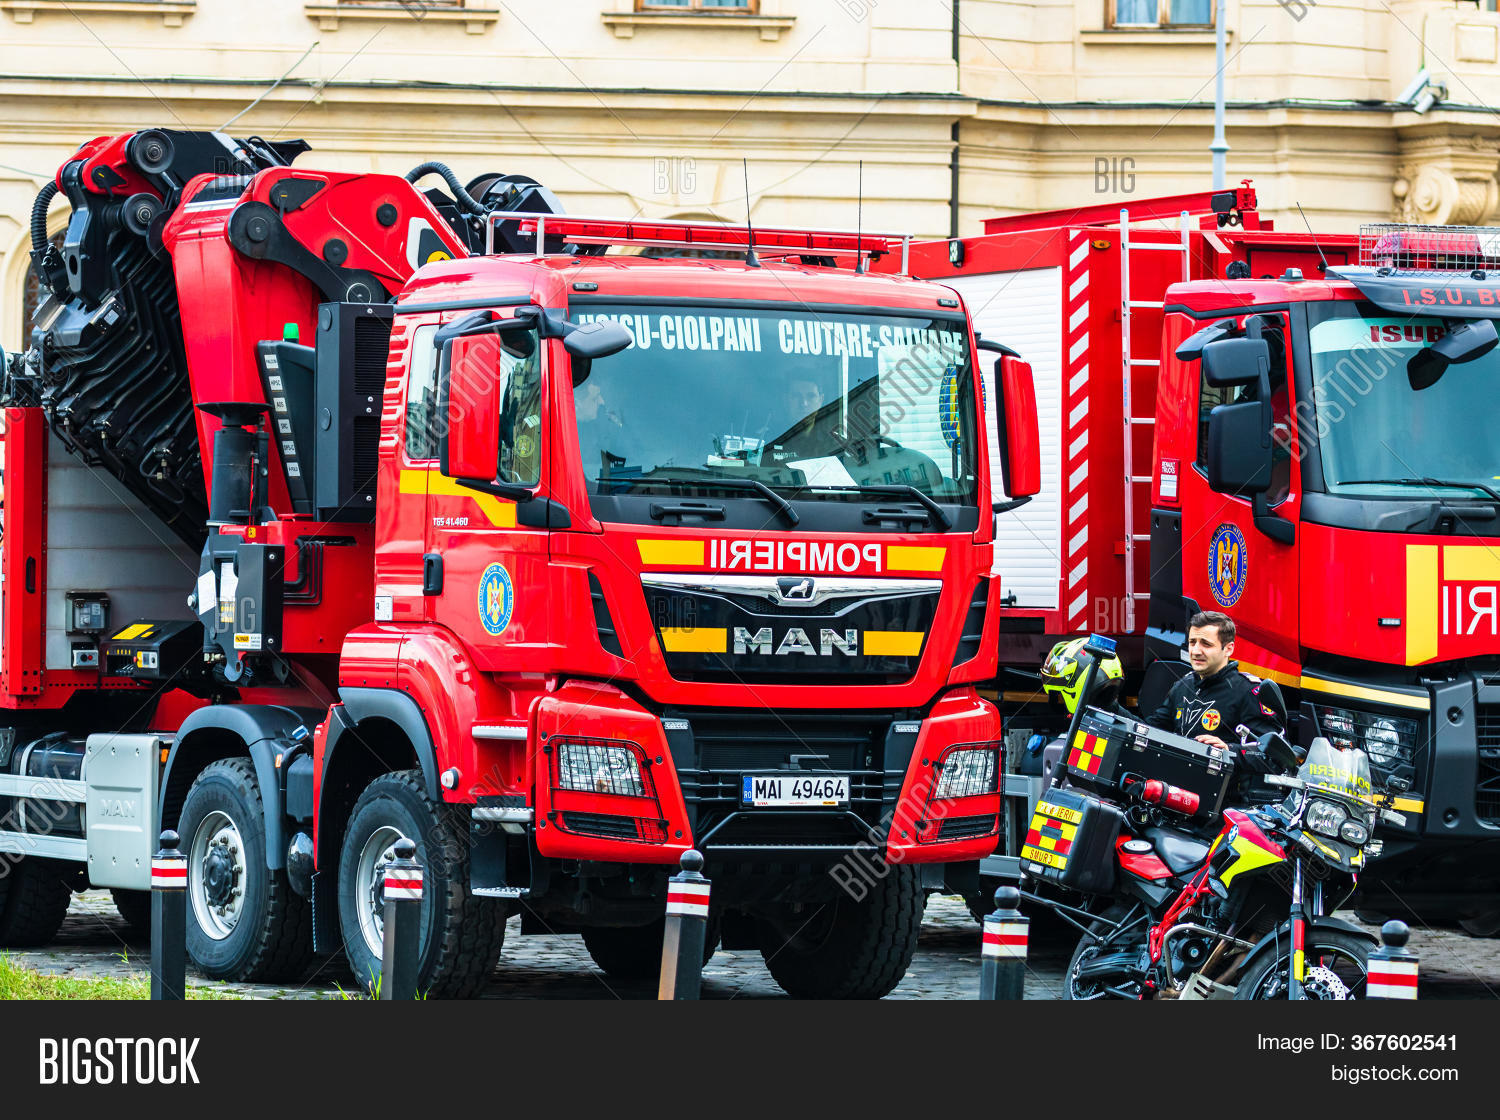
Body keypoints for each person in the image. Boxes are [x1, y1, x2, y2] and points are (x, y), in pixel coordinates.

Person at [1146, 610, 1286, 775]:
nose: (1196, 651)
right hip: (1175, 789)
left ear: (1228, 649)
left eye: (1206, 644)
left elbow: (1276, 759)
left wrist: (1228, 751)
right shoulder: (1182, 686)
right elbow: (1148, 731)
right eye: (1192, 642)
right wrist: (1111, 704)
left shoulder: (1249, 691)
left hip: (1228, 798)